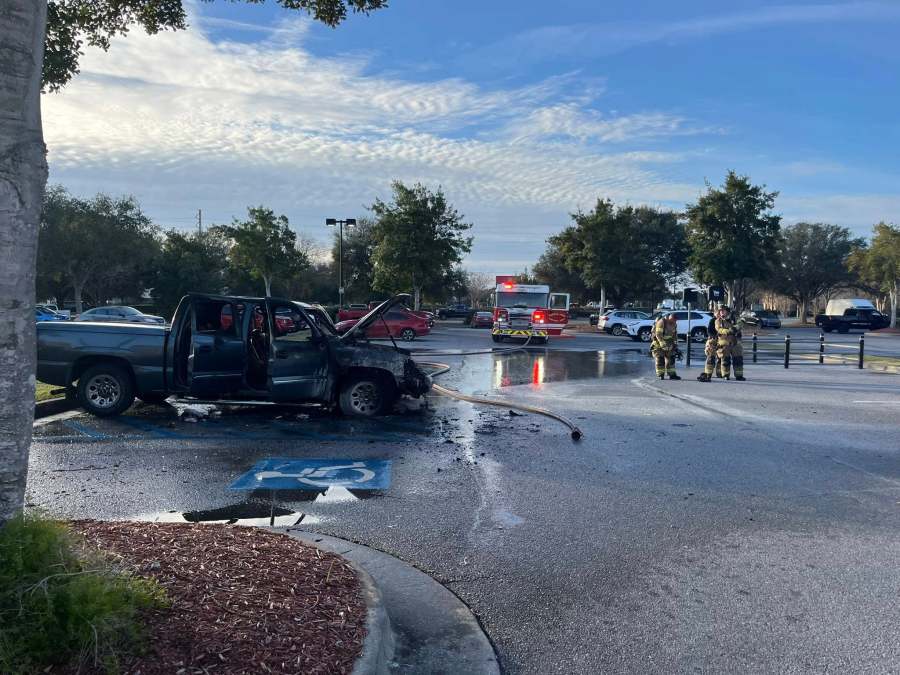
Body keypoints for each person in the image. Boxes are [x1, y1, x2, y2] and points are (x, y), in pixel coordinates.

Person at [651, 312, 681, 380]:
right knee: (660, 359)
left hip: (669, 343)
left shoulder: (674, 324)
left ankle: (672, 374)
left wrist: (675, 344)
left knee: (671, 359)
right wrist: (662, 344)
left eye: (676, 320)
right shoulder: (661, 322)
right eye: (674, 320)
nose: (675, 321)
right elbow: (658, 334)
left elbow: (675, 334)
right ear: (670, 318)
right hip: (658, 343)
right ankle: (661, 374)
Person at [697, 317, 718, 382]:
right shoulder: (713, 320)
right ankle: (708, 375)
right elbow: (709, 331)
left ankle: (721, 373)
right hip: (713, 339)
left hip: (722, 340)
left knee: (722, 358)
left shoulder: (726, 320)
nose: (720, 314)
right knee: (710, 357)